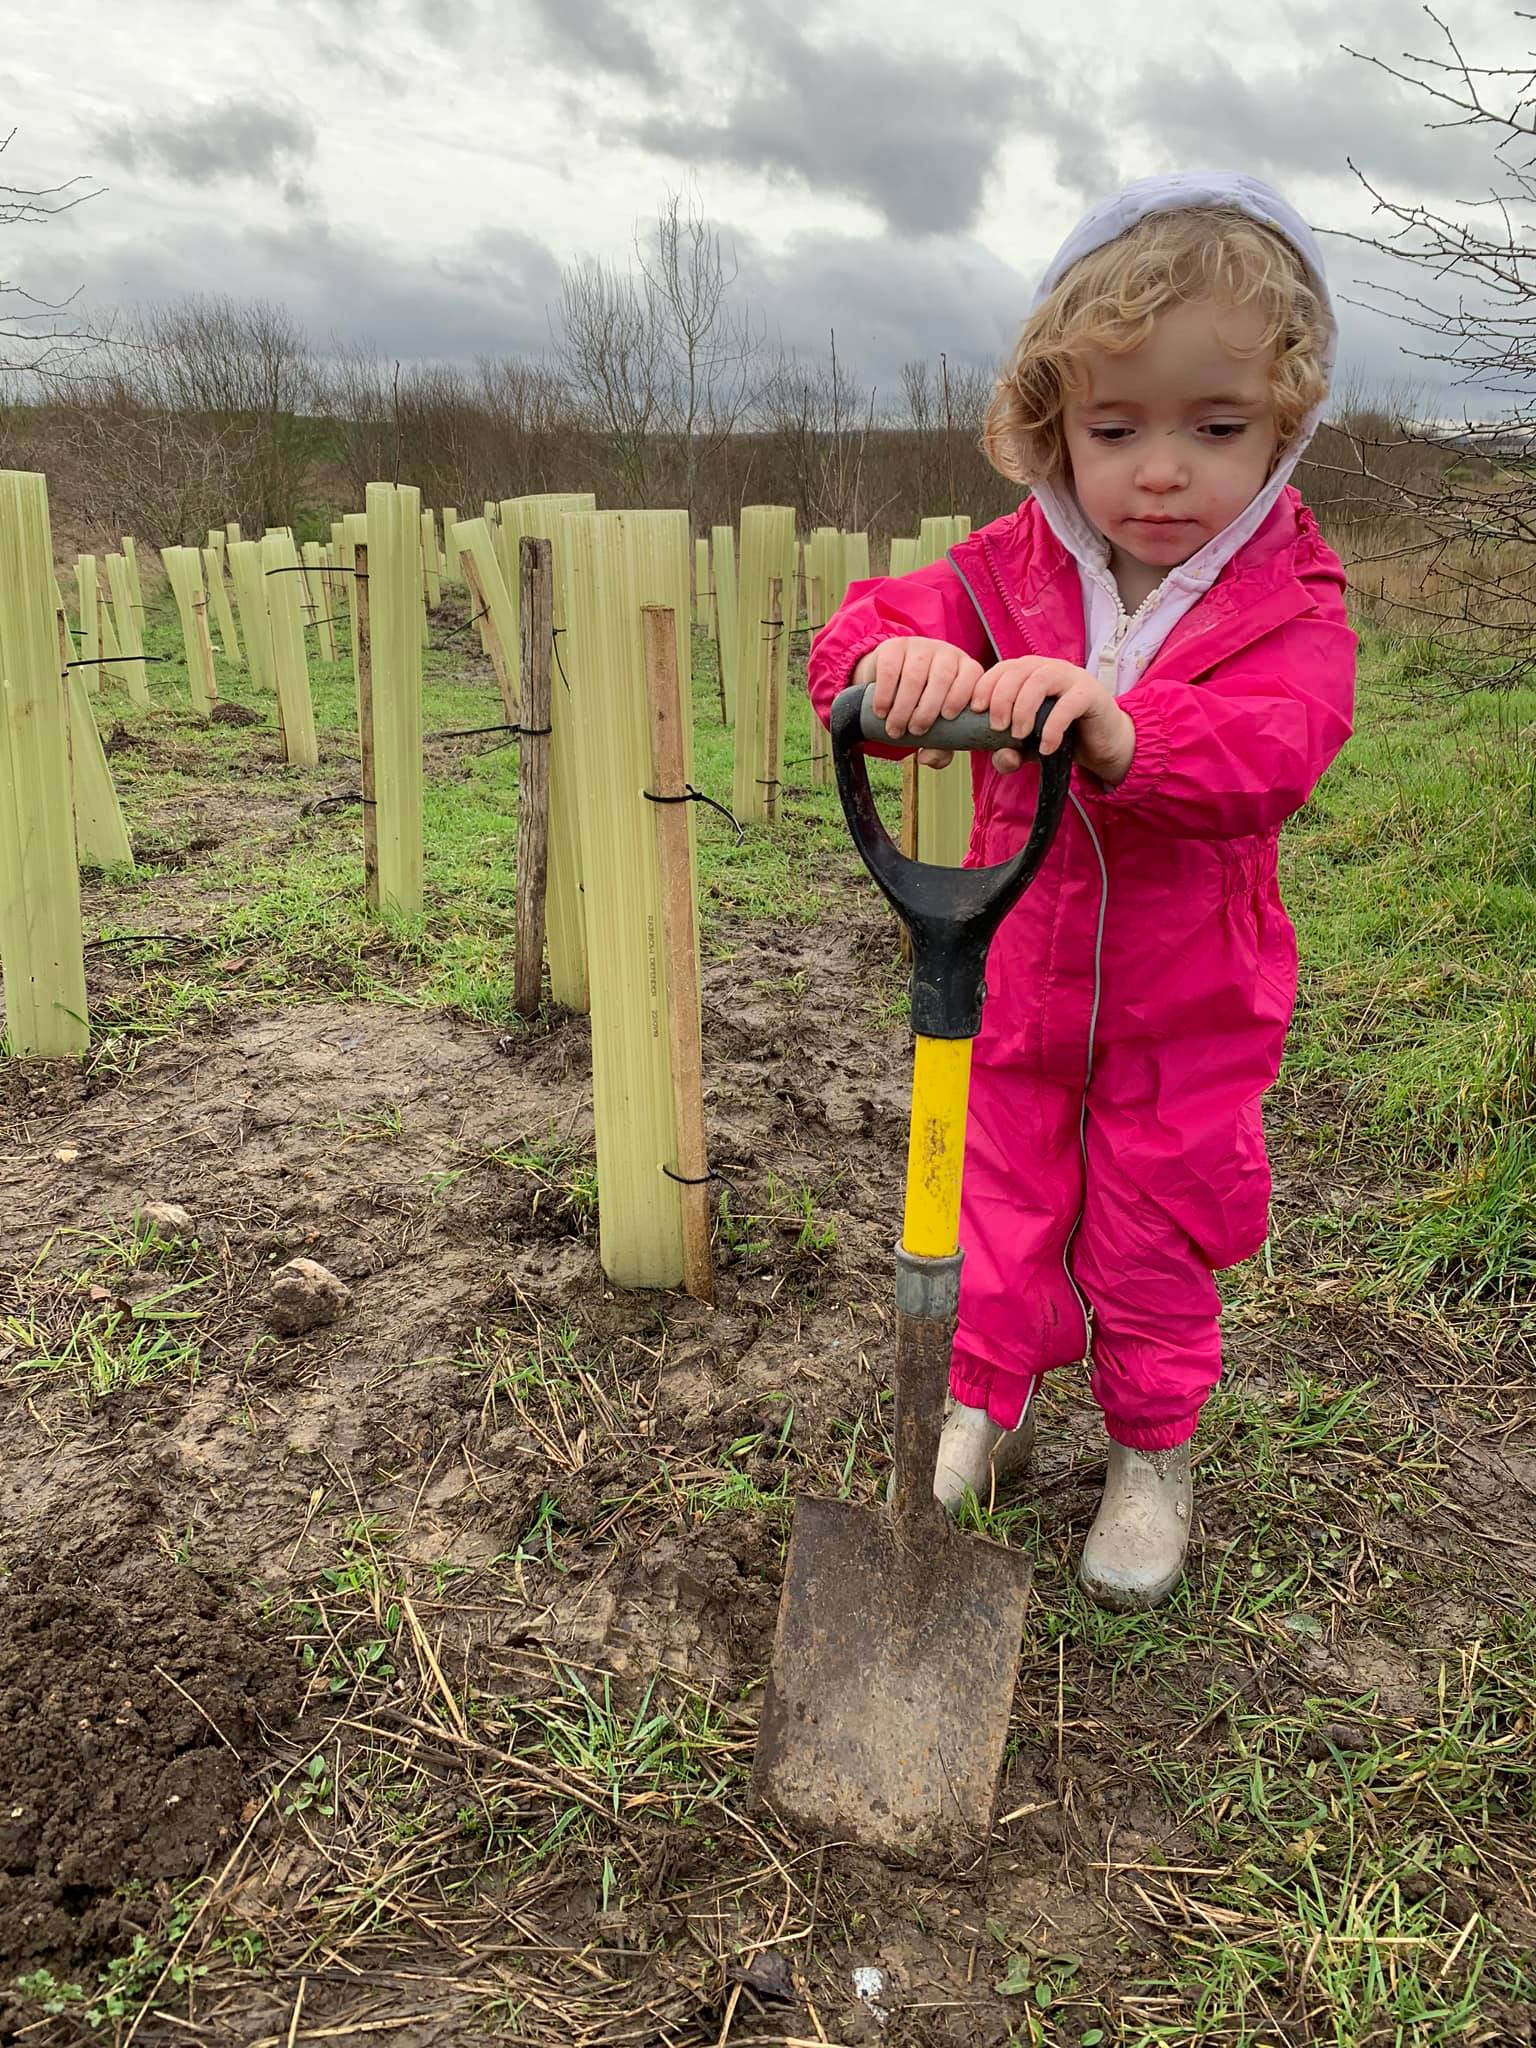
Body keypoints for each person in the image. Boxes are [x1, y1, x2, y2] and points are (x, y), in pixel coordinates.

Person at [807, 172, 1357, 1611]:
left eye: (1215, 429)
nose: (1161, 471)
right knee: (992, 1206)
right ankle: (979, 1404)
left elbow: (1283, 744)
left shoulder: (1286, 598)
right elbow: (871, 636)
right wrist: (891, 675)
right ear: (1057, 427)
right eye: (1117, 431)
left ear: (1284, 427)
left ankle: (1151, 1451)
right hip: (1012, 977)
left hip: (1192, 1008)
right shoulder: (1011, 569)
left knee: (1158, 1227)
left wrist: (1124, 730)